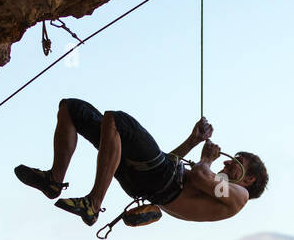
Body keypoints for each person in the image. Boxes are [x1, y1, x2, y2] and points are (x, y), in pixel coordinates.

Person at [14, 98, 267, 228]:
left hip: (160, 183)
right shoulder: (219, 183)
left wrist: (206, 159)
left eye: (237, 162)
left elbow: (200, 175)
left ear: (249, 178)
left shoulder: (239, 196)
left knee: (117, 120)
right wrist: (192, 141)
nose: (229, 162)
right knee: (72, 109)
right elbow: (167, 163)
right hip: (147, 180)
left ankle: (93, 203)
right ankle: (53, 181)